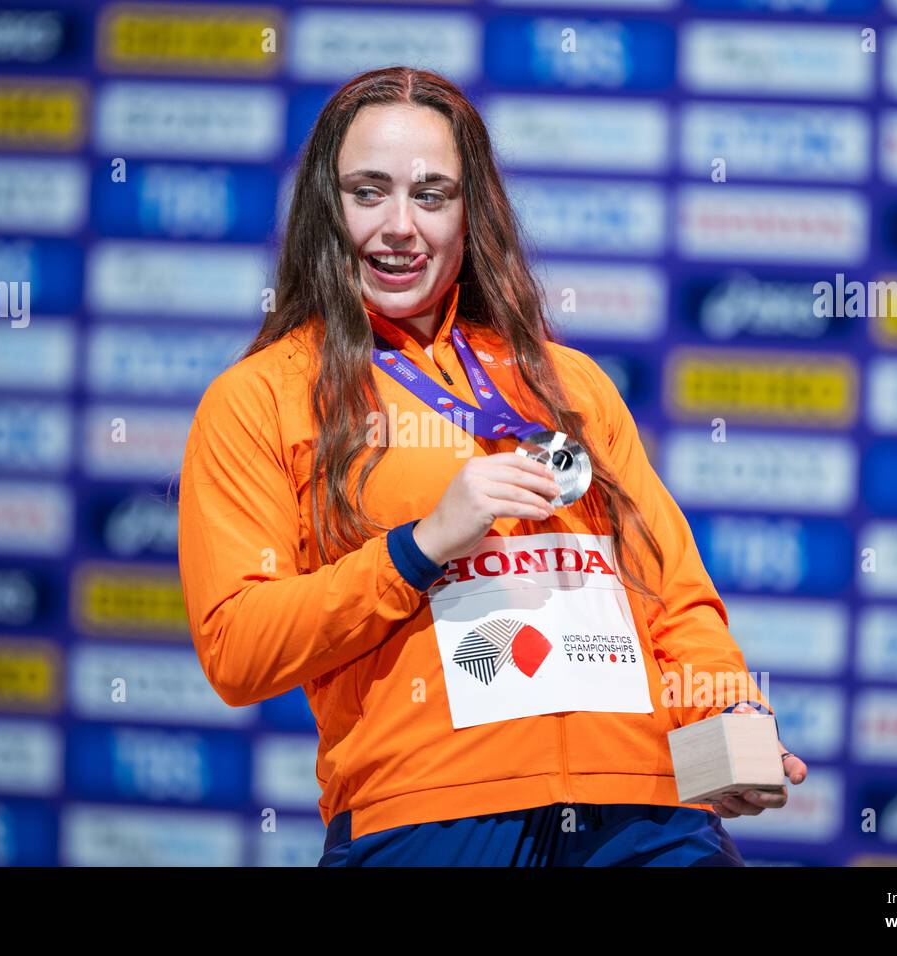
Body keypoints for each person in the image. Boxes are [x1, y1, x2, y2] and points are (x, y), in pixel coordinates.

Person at [177, 66, 806, 867]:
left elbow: (669, 592)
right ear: (323, 212)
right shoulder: (260, 398)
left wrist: (725, 728)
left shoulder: (566, 379)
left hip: (647, 814)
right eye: (368, 191)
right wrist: (419, 544)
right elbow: (238, 647)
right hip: (428, 822)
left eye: (432, 194)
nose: (400, 224)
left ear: (471, 213)